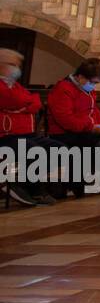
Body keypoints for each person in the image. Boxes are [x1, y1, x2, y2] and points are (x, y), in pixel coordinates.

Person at [46, 58, 100, 195]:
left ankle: (98, 181)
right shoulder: (63, 89)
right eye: (92, 82)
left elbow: (94, 111)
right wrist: (92, 127)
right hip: (65, 133)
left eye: (96, 83)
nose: (93, 86)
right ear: (81, 76)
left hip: (86, 130)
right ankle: (80, 184)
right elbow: (65, 119)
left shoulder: (88, 91)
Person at [0, 49, 59, 206]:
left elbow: (35, 102)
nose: (16, 68)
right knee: (34, 151)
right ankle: (33, 190)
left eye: (18, 65)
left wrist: (24, 104)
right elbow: (10, 100)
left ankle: (23, 184)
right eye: (12, 64)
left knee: (59, 149)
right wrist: (24, 104)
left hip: (26, 133)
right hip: (5, 136)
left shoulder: (15, 85)